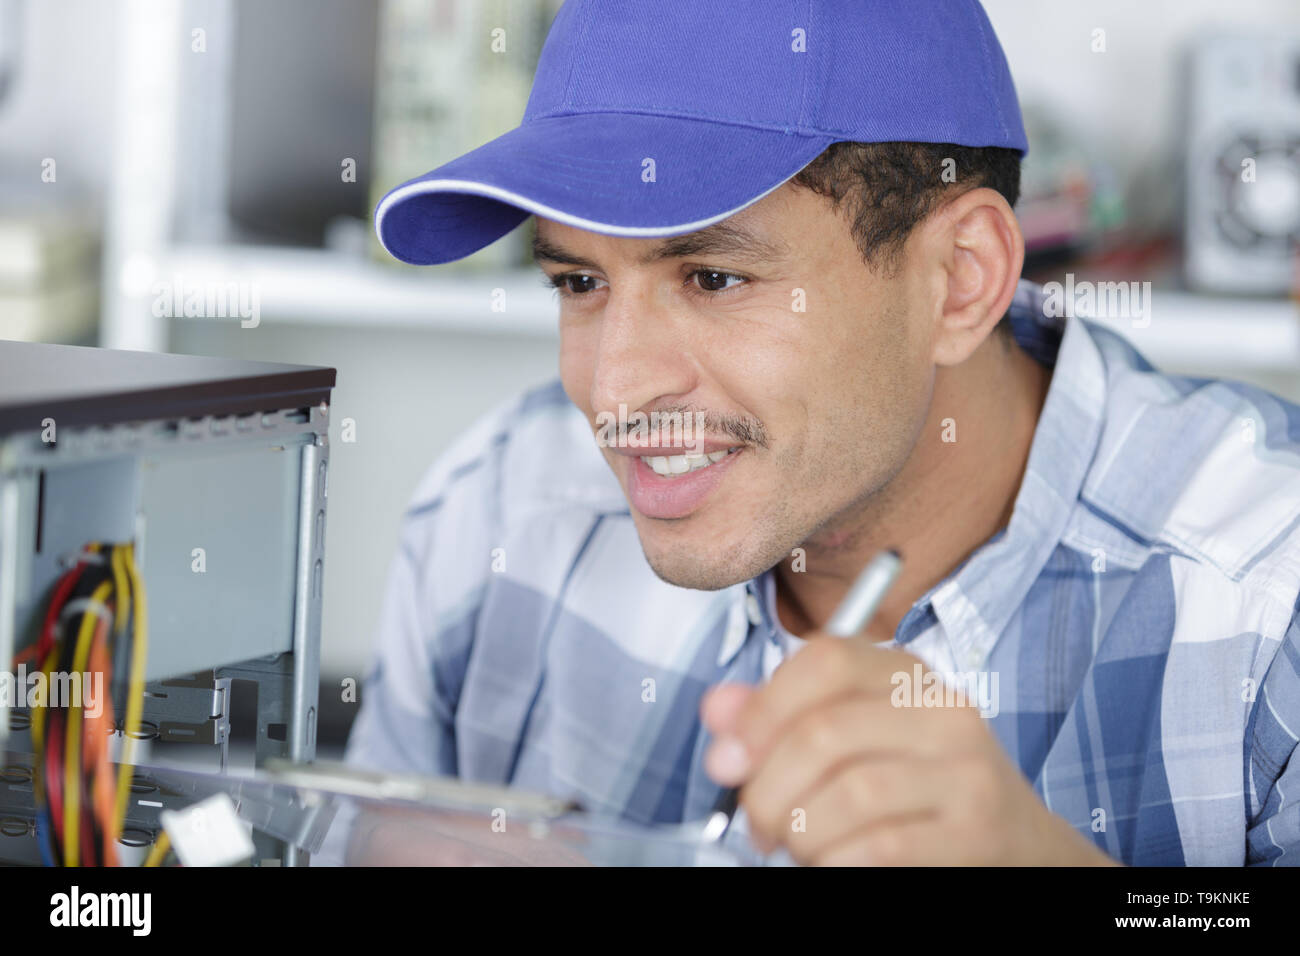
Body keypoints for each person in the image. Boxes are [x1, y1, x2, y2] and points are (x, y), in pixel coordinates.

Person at [344, 0, 1300, 865]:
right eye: (578, 283)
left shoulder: (1267, 596)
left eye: (714, 279)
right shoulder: (498, 514)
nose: (617, 388)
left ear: (960, 278)